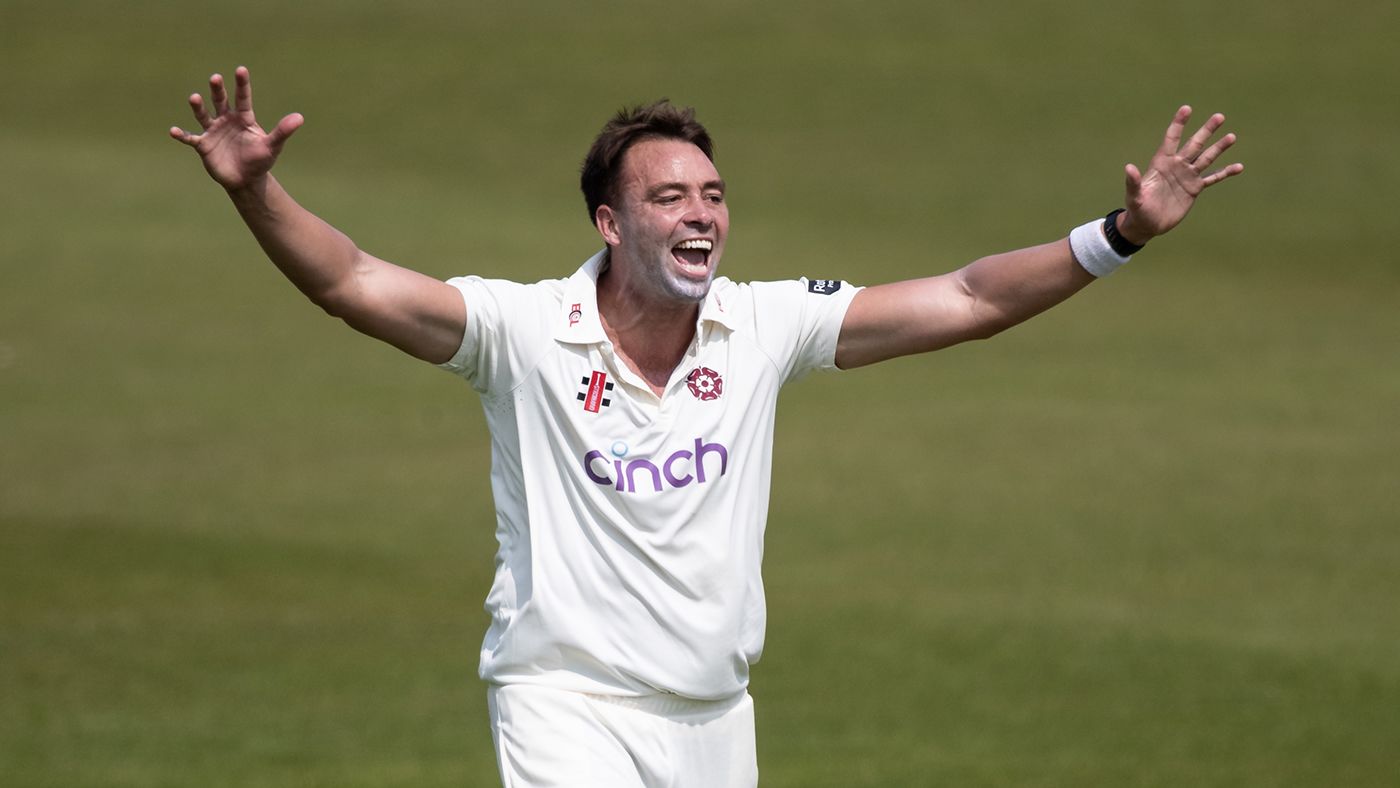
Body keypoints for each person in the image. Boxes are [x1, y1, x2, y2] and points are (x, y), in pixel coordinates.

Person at [171, 66, 1242, 788]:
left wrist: (1117, 235)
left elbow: (963, 297)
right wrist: (257, 195)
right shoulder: (522, 331)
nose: (702, 213)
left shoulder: (762, 322)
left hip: (715, 716)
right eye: (671, 196)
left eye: (714, 194)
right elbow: (355, 281)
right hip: (567, 700)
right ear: (609, 221)